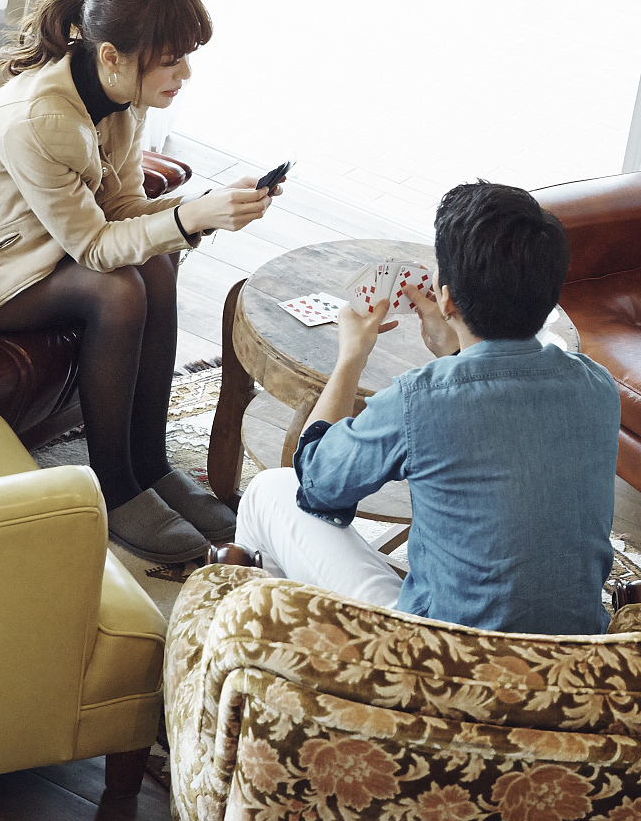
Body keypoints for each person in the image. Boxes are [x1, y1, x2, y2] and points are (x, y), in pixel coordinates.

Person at [0, 0, 275, 564]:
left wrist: (206, 204)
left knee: (157, 266)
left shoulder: (120, 99)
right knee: (117, 288)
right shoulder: (43, 119)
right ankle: (112, 489)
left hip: (13, 232)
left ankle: (152, 466)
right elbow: (94, 246)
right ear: (112, 55)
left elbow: (125, 205)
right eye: (171, 60)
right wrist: (191, 219)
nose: (185, 73)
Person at [232, 181, 620, 635]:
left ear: (447, 298)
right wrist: (455, 354)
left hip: (445, 664)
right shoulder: (598, 386)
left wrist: (351, 355)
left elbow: (317, 484)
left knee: (268, 491)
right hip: (569, 658)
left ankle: (253, 648)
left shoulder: (421, 398)